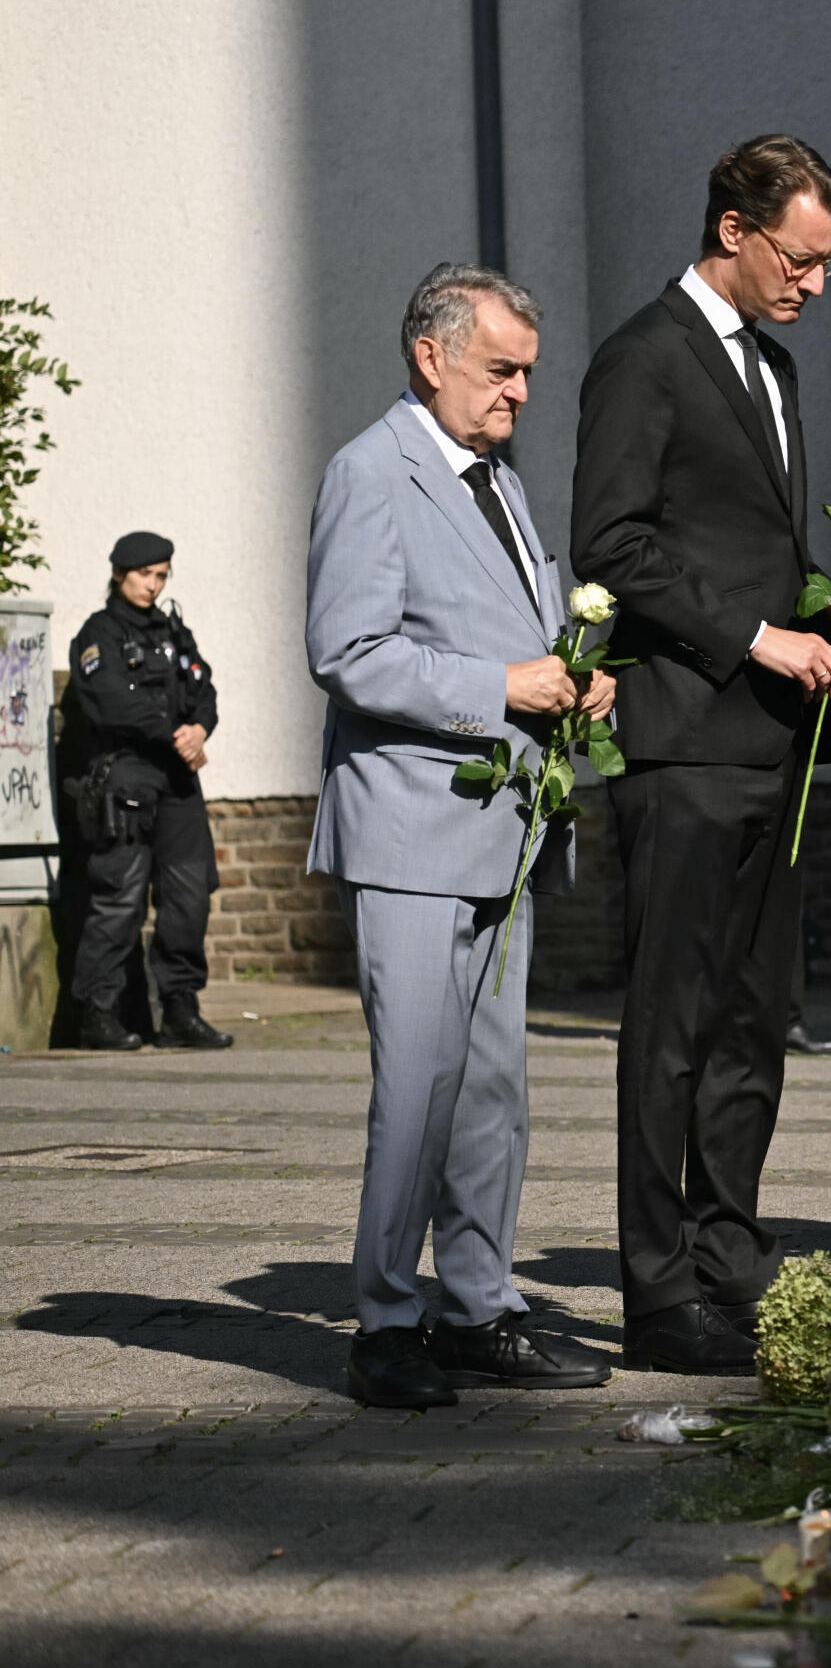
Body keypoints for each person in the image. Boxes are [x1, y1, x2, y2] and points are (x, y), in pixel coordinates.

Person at [306, 262, 615, 1409]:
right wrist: (505, 684)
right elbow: (348, 650)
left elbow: (518, 629)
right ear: (431, 355)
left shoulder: (496, 478)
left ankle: (480, 1307)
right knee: (421, 1083)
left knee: (493, 1088)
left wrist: (572, 681)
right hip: (411, 828)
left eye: (529, 372)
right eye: (501, 369)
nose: (520, 392)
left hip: (504, 825)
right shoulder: (370, 472)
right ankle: (384, 1320)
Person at [572, 135, 831, 1375]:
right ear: (734, 232)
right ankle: (655, 1285)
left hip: (773, 740)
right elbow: (611, 541)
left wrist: (823, 612)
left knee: (752, 1015)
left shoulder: (774, 366)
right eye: (802, 258)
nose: (816, 283)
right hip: (685, 733)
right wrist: (754, 635)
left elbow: (748, 538)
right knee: (673, 1020)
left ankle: (729, 1247)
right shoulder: (643, 358)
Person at [62, 531, 228, 1051]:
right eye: (144, 575)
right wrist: (175, 734)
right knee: (120, 899)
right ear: (119, 573)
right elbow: (110, 703)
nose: (153, 586)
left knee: (188, 897)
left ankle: (180, 1010)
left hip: (178, 781)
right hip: (127, 778)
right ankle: (98, 1013)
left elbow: (204, 687)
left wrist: (199, 728)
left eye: (161, 576)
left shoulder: (172, 631)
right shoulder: (100, 633)